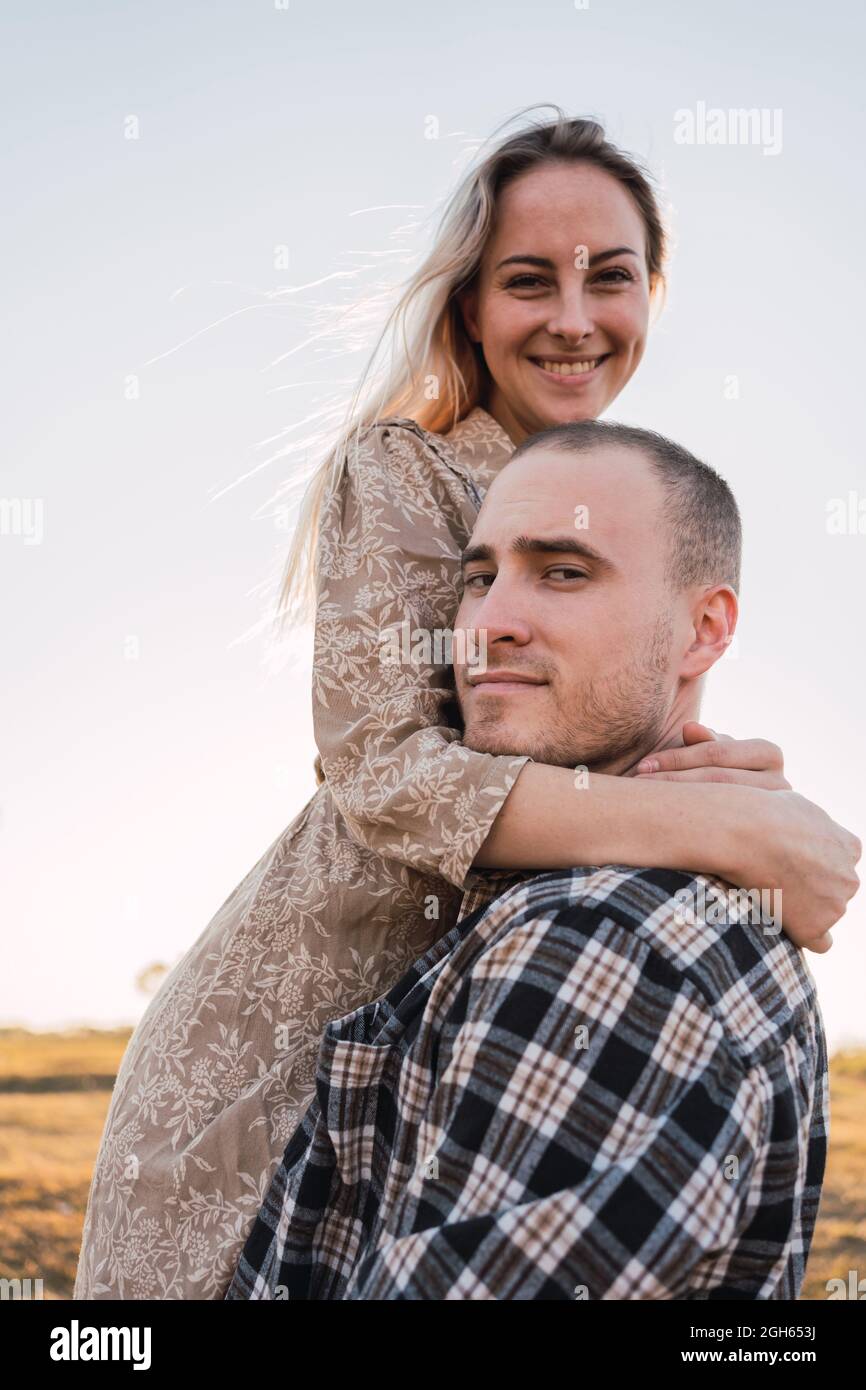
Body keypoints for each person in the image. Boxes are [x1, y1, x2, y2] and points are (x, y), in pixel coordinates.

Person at [73, 110, 858, 1301]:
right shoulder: (405, 465)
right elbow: (386, 776)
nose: (572, 317)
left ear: (653, 292)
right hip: (284, 1052)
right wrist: (719, 831)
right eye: (526, 280)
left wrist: (716, 779)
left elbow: (604, 757)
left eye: (611, 277)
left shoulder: (634, 497)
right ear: (470, 306)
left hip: (489, 1029)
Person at [226, 422, 835, 1301]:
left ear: (705, 629)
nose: (486, 627)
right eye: (480, 578)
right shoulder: (618, 898)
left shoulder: (604, 942)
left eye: (564, 572)